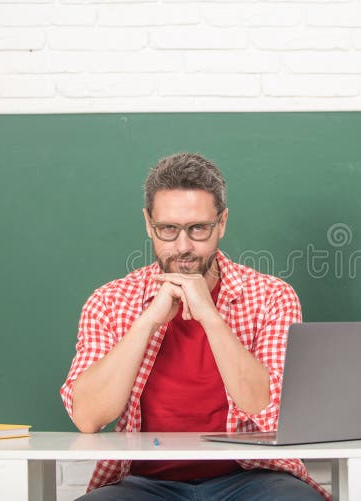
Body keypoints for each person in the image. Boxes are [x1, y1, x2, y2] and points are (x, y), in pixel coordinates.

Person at [61, 153, 328, 500]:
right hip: (143, 484)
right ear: (148, 224)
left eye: (198, 228)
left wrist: (211, 317)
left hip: (253, 478)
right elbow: (88, 418)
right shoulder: (109, 301)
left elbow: (270, 409)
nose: (183, 247)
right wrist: (148, 322)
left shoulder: (273, 297)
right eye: (168, 230)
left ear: (222, 223)